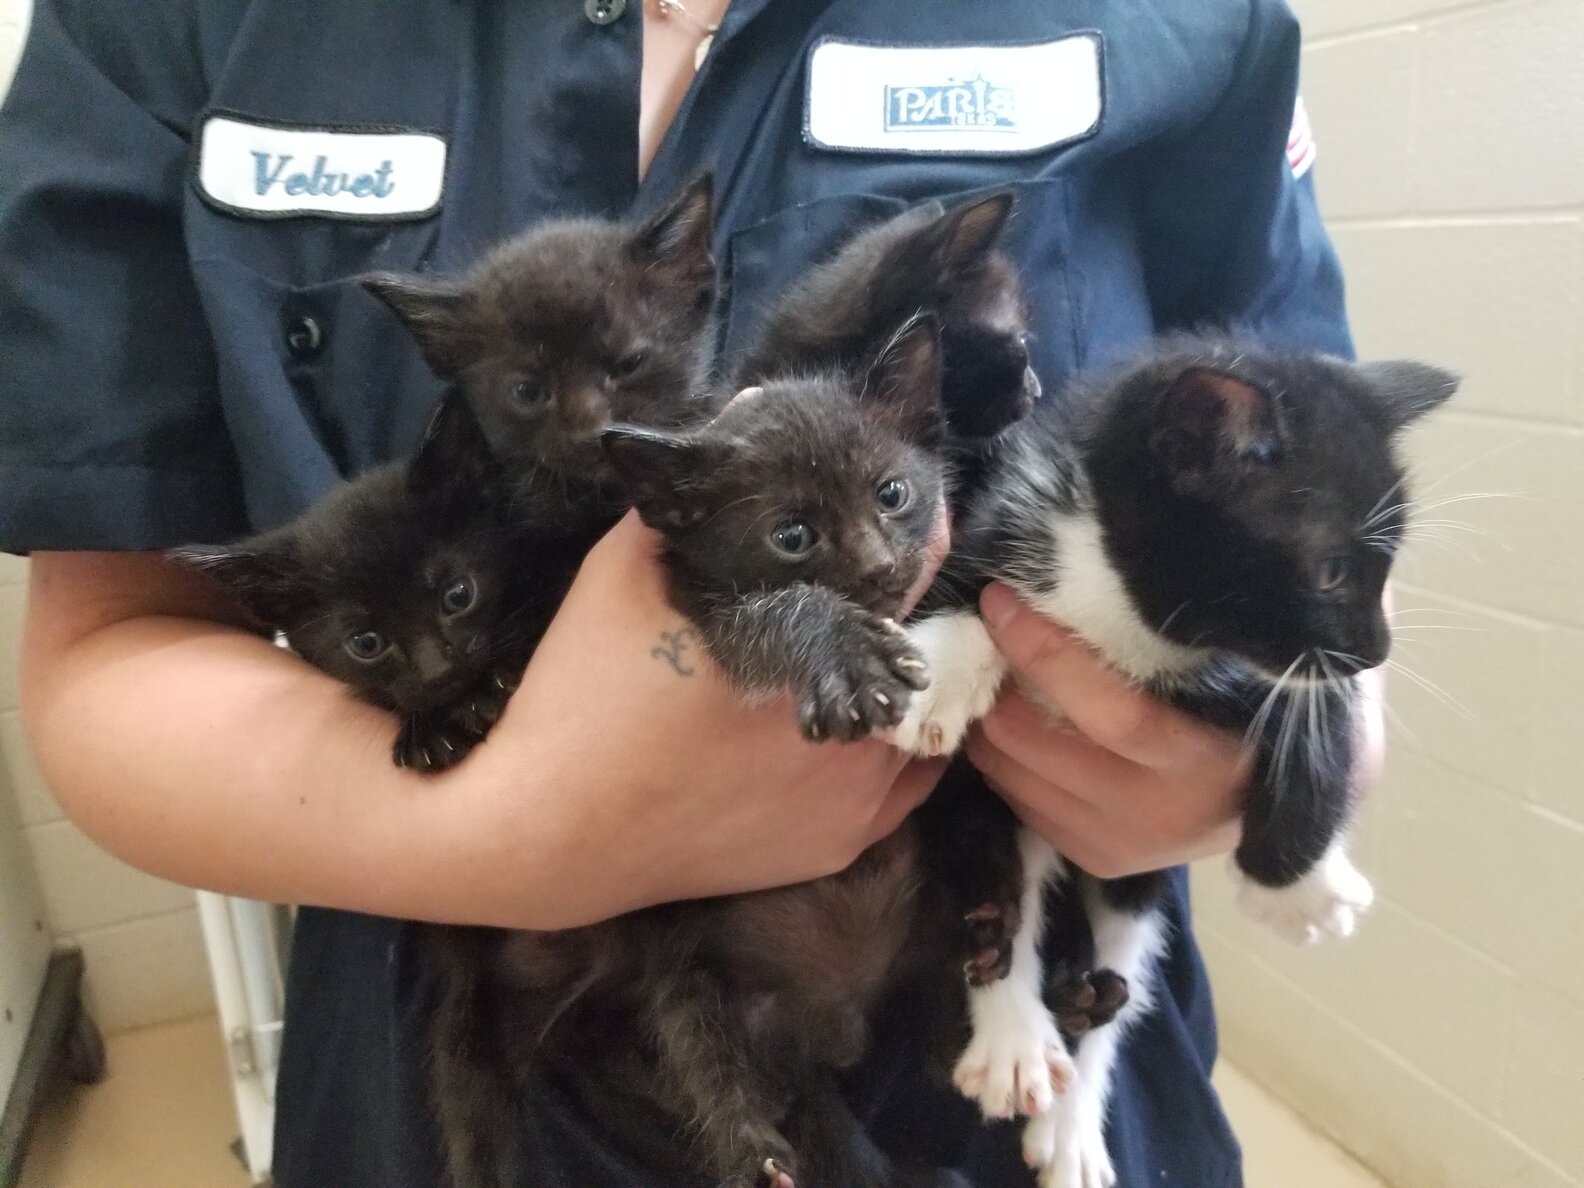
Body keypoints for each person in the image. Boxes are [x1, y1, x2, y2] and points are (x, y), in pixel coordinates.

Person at [0, 0, 1382, 1184]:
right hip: (487, 1043)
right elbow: (109, 643)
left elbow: (1320, 499)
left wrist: (1295, 761)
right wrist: (515, 830)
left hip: (1013, 1048)